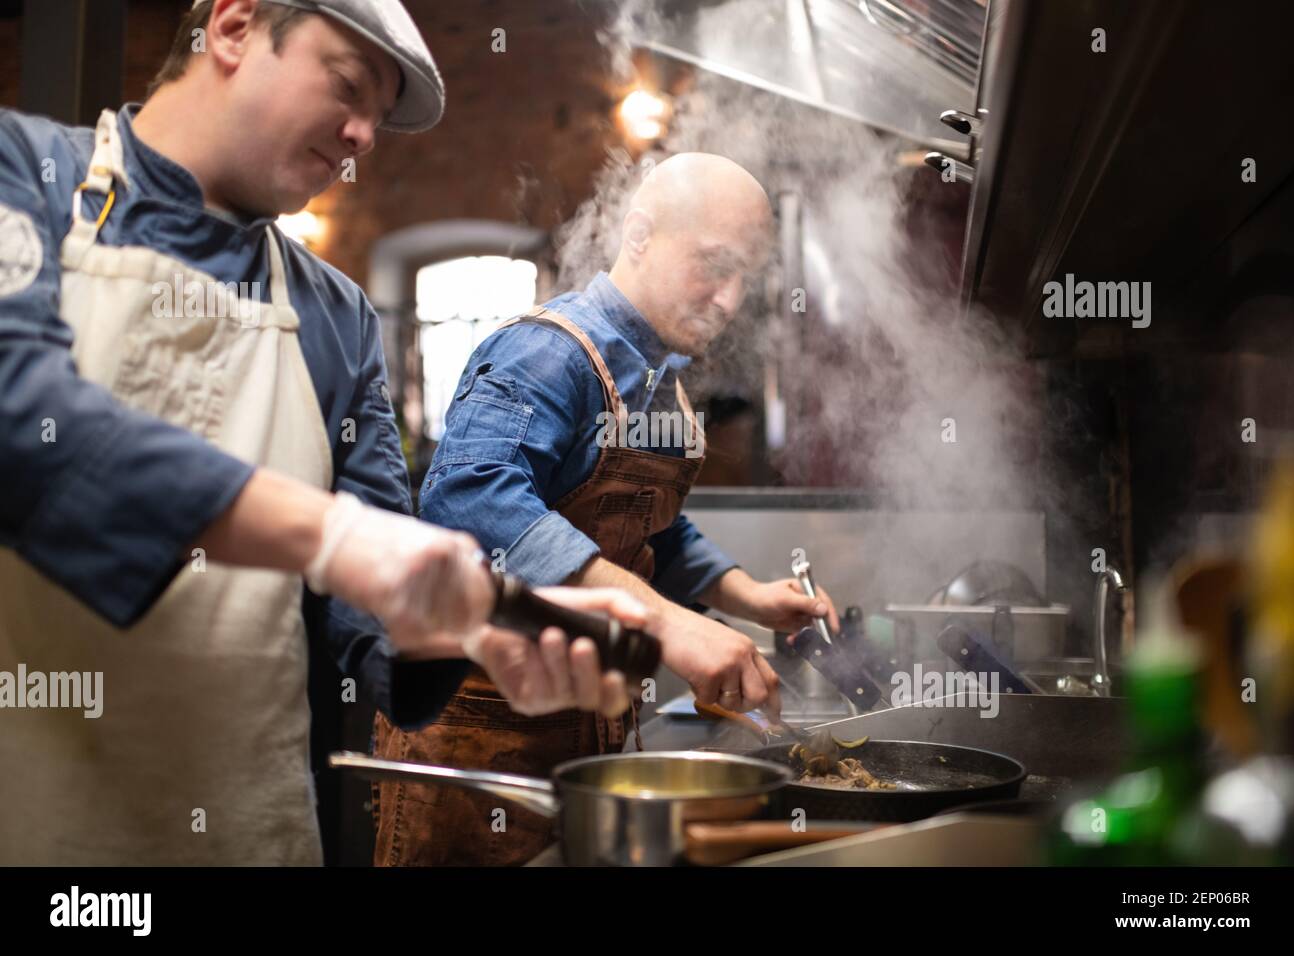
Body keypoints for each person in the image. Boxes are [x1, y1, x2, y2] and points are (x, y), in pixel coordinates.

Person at [0, 0, 641, 865]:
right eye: (348, 88)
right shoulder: (24, 172)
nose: (363, 136)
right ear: (232, 27)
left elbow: (366, 598)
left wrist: (466, 626)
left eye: (379, 119)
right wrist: (334, 535)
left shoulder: (333, 312)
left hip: (248, 829)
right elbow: (24, 421)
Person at [373, 153, 839, 865]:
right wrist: (665, 622)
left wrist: (747, 597)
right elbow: (470, 499)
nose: (730, 299)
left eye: (748, 275)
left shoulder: (661, 380)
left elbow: (648, 525)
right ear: (641, 234)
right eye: (714, 264)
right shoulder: (545, 353)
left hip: (585, 731)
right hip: (480, 738)